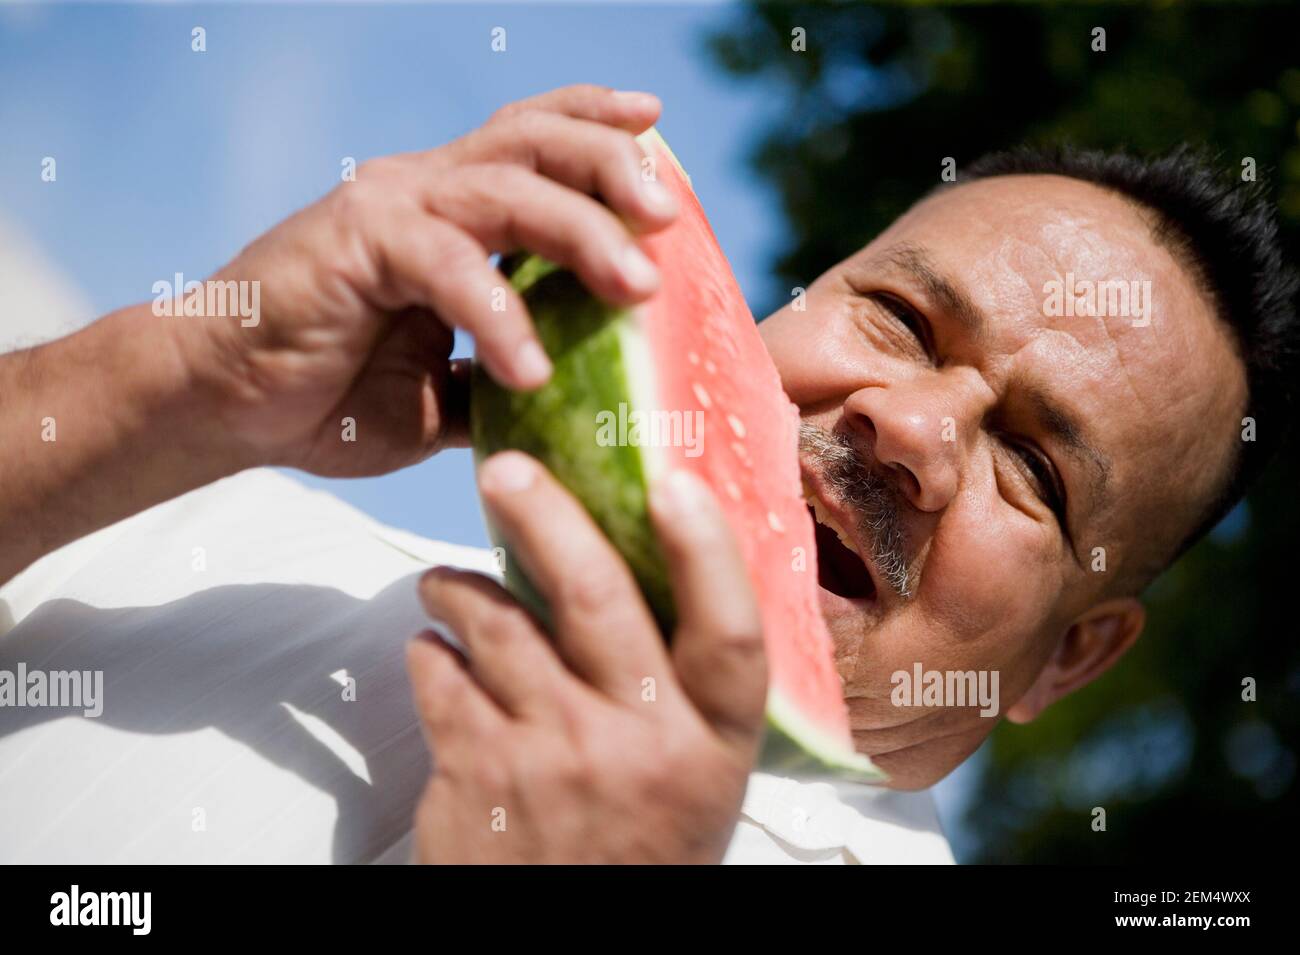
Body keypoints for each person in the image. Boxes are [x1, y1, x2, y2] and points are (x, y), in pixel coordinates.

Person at [0, 85, 1294, 863]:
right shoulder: (204, 525)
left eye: (1032, 468)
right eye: (899, 321)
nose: (909, 430)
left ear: (1072, 658)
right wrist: (162, 388)